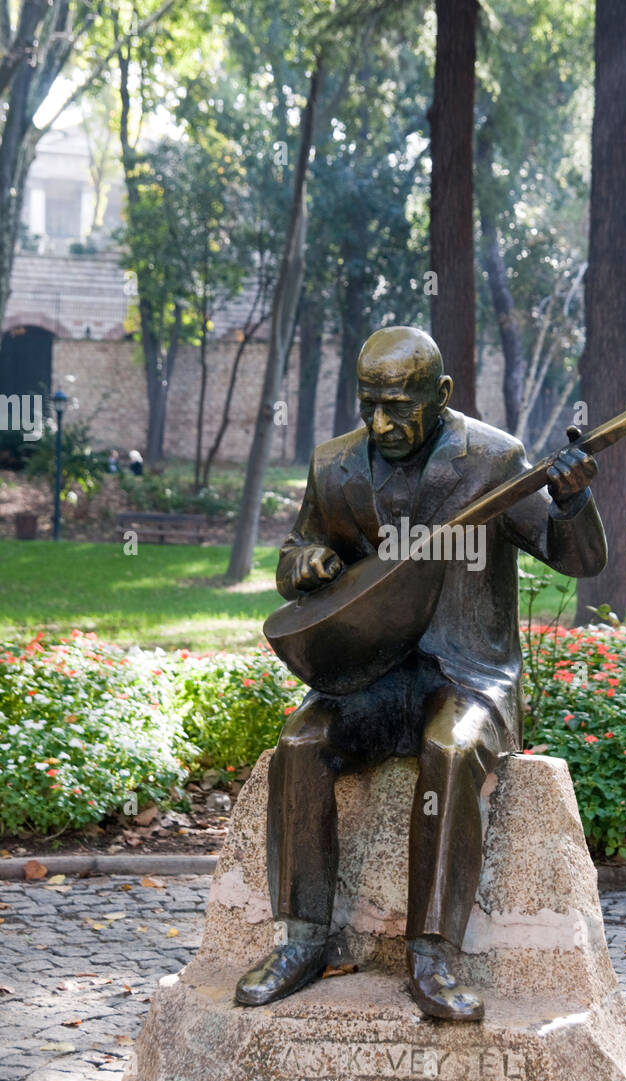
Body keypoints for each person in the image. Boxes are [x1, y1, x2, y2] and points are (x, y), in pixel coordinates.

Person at [236, 326, 607, 1021]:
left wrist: (574, 502)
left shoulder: (493, 459)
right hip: (370, 668)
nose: (382, 422)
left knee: (450, 747)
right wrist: (305, 567)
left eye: (399, 405)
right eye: (369, 404)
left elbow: (575, 559)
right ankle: (302, 937)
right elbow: (297, 550)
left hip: (467, 669)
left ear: (440, 395)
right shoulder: (336, 465)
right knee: (298, 744)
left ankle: (431, 953)